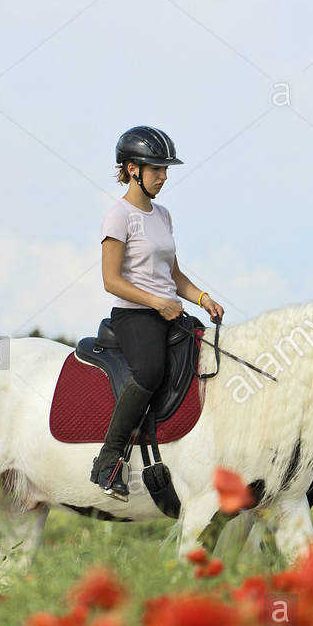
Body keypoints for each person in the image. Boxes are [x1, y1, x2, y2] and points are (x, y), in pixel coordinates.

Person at [90, 125, 224, 500]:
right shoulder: (118, 217)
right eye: (156, 169)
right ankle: (109, 460)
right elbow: (111, 280)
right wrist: (156, 302)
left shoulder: (162, 215)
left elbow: (174, 276)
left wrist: (203, 298)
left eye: (165, 170)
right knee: (150, 371)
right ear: (132, 169)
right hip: (135, 315)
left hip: (169, 310)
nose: (164, 177)